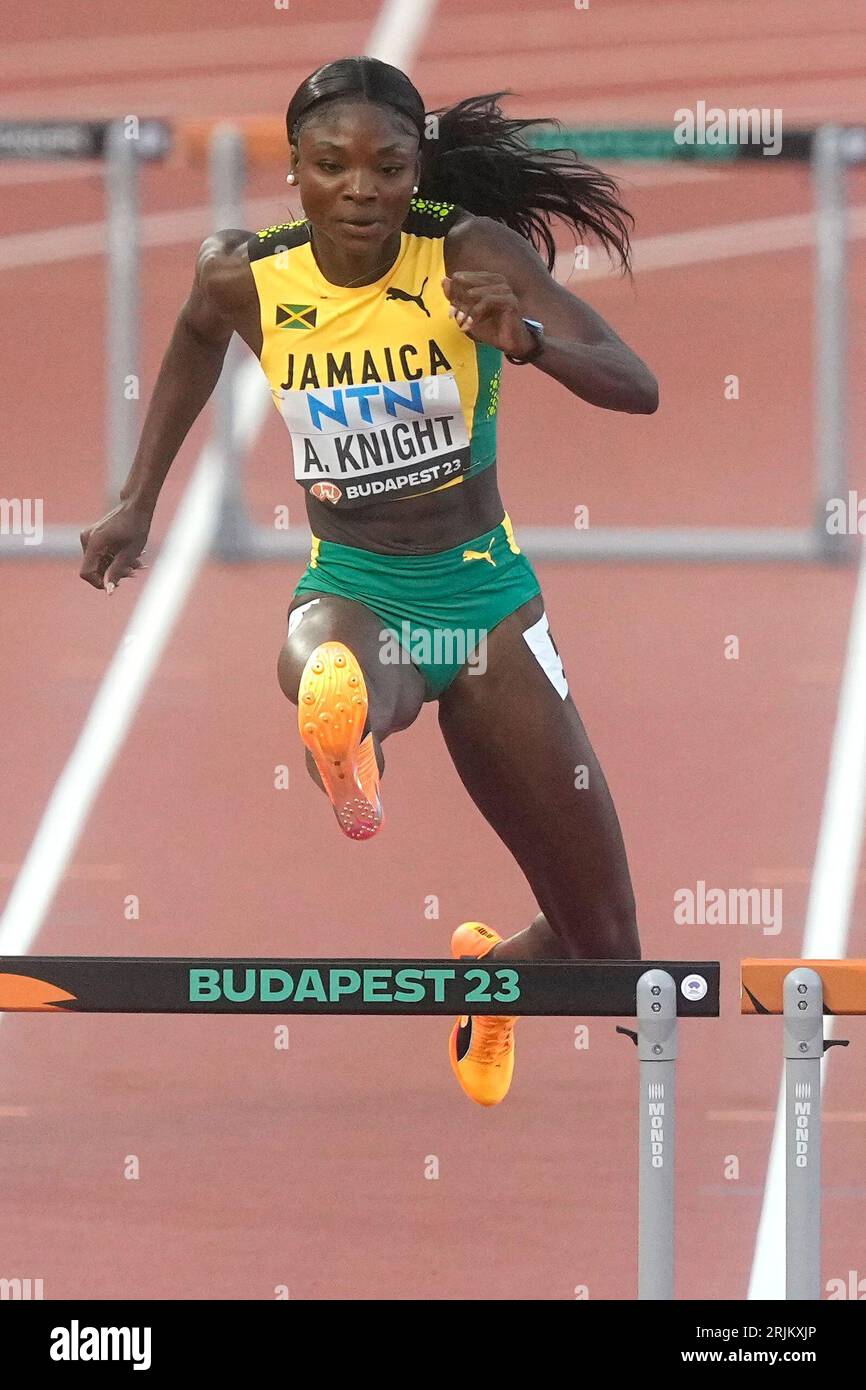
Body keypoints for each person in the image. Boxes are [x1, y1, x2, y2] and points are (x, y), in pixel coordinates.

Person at [80, 56, 657, 1108]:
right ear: (292, 172)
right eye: (330, 165)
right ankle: (346, 752)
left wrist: (525, 341)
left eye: (387, 167)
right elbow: (195, 342)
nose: (360, 189)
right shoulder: (244, 274)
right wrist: (136, 499)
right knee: (334, 673)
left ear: (416, 169)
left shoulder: (469, 250)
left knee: (607, 953)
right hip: (353, 582)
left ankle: (489, 980)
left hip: (484, 599)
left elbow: (636, 385)